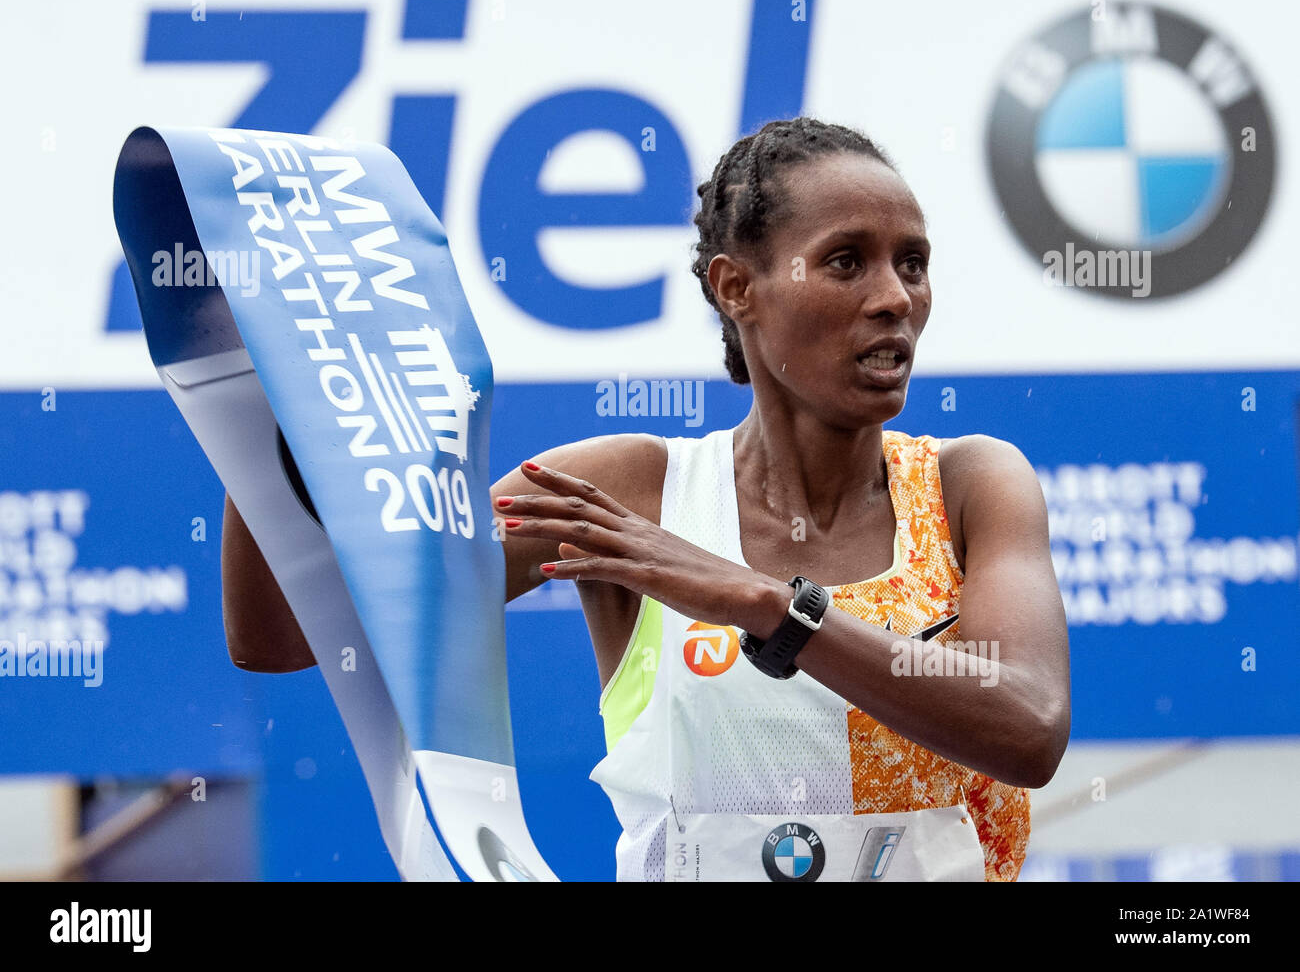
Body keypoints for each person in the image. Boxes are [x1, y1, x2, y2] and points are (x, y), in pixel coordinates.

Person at [221, 116, 1070, 882]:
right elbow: (289, 636)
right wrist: (263, 388)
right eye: (847, 261)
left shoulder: (971, 483)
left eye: (912, 264)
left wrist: (767, 605)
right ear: (736, 288)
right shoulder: (626, 490)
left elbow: (1027, 727)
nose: (895, 297)